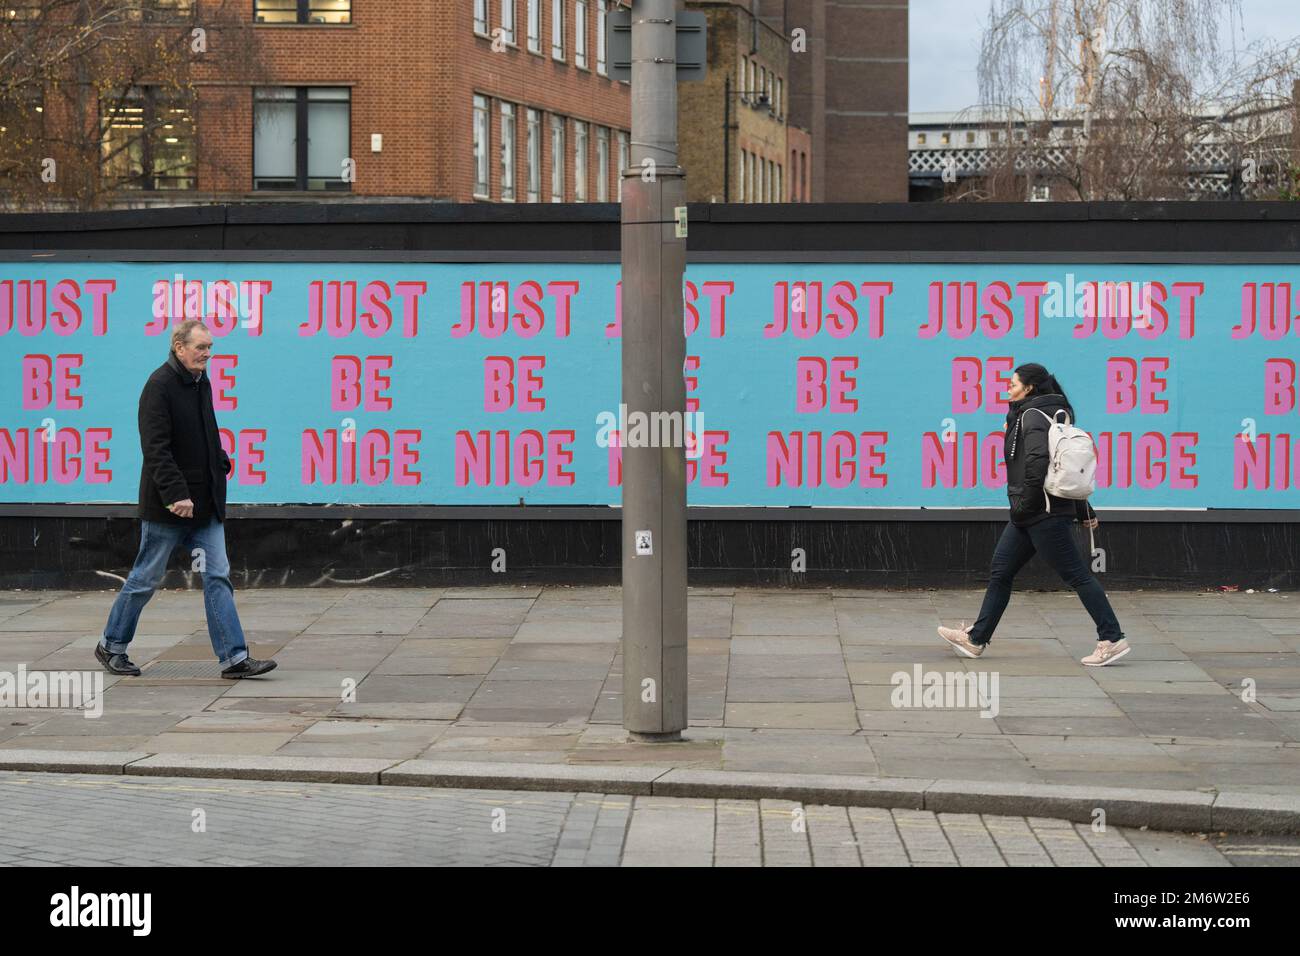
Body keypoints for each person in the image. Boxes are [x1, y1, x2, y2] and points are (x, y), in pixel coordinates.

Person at [96, 319, 277, 679]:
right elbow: (156, 449)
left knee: (218, 576)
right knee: (146, 579)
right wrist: (176, 494)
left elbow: (207, 429)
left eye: (210, 347)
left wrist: (220, 461)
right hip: (168, 507)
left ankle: (234, 658)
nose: (207, 353)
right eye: (201, 347)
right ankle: (112, 646)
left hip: (205, 503)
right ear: (179, 347)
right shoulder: (159, 386)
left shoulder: (200, 382)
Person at [938, 362, 1131, 667]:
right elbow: (1066, 469)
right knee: (1001, 570)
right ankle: (976, 640)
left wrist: (1026, 505)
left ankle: (1112, 638)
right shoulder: (1053, 413)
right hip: (1033, 512)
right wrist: (1081, 508)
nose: (1007, 389)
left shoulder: (1031, 415)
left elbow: (1040, 461)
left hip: (1041, 513)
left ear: (1028, 388)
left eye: (1012, 384)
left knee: (1077, 575)